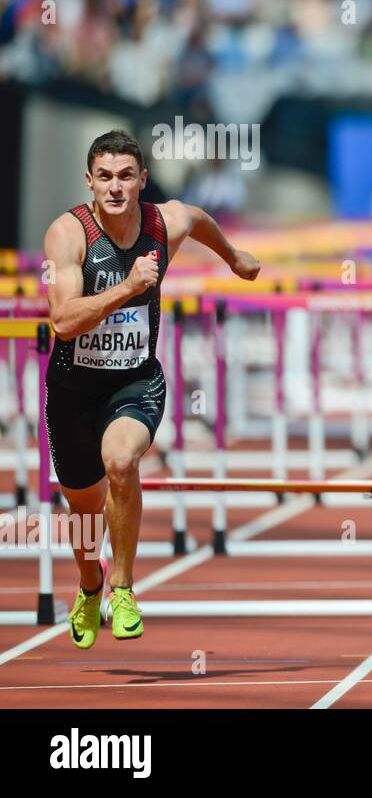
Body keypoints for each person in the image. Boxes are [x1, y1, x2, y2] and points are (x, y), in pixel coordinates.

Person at [44, 130, 261, 648]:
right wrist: (128, 288)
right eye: (105, 177)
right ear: (89, 181)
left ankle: (122, 587)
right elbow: (62, 321)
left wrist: (232, 257)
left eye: (125, 176)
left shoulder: (166, 222)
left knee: (121, 462)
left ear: (142, 179)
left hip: (136, 379)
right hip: (73, 389)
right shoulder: (67, 234)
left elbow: (199, 218)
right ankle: (90, 584)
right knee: (84, 512)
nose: (115, 188)